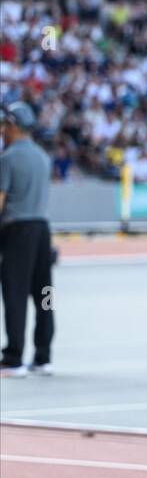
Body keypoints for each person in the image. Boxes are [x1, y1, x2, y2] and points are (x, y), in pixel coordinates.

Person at [0, 102, 55, 378]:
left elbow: (0, 199)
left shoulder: (7, 158)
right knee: (45, 294)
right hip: (42, 230)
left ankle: (14, 357)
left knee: (15, 294)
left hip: (17, 230)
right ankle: (43, 356)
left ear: (11, 126)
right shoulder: (43, 157)